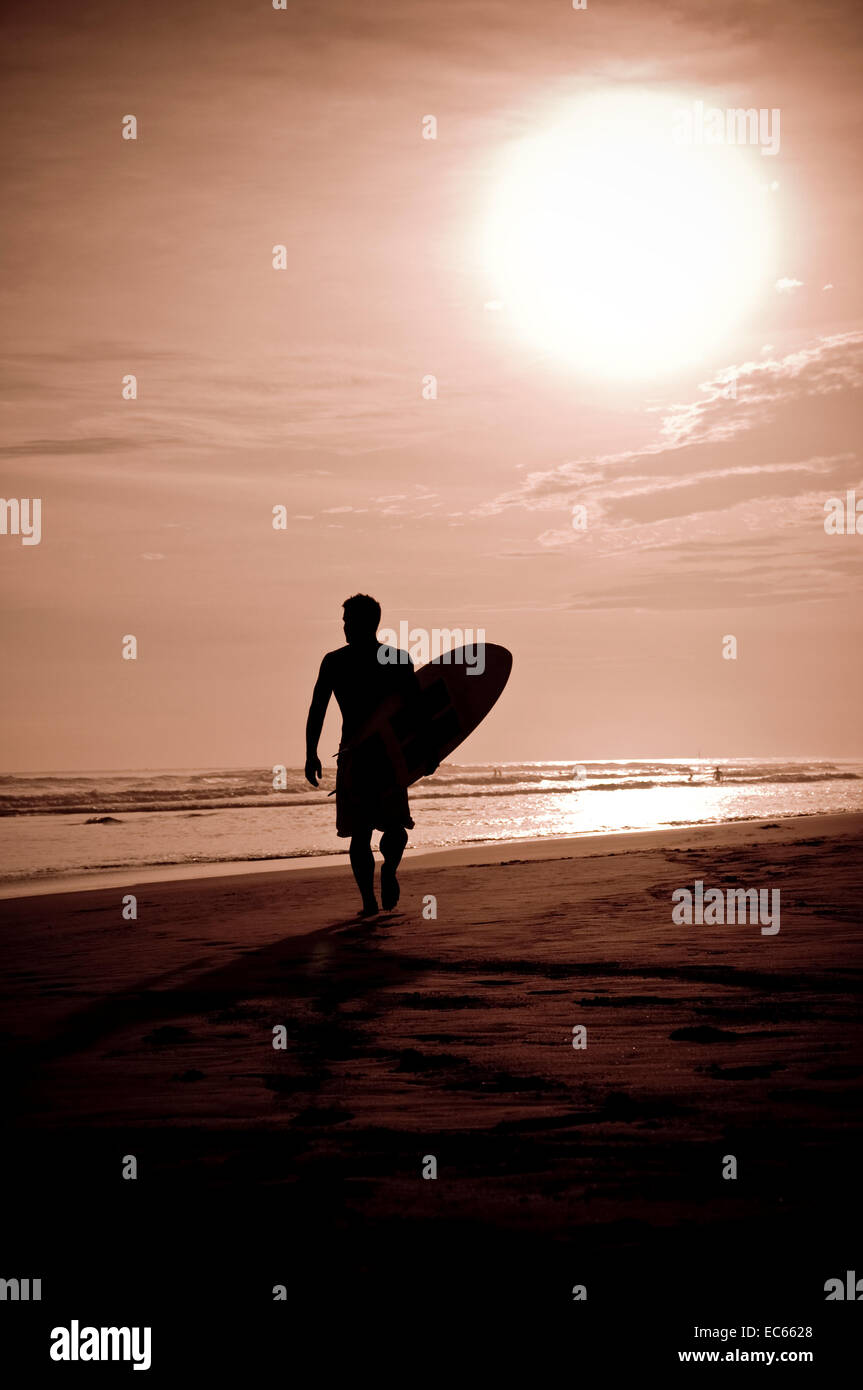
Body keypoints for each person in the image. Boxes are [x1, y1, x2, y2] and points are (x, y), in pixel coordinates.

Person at [304, 594, 437, 916]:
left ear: (369, 623)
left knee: (393, 828)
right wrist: (311, 753)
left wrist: (428, 750)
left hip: (385, 754)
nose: (346, 627)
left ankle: (389, 871)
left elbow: (415, 709)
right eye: (345, 621)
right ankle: (368, 902)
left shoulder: (395, 660)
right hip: (356, 756)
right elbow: (317, 709)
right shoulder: (336, 661)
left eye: (350, 621)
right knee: (360, 832)